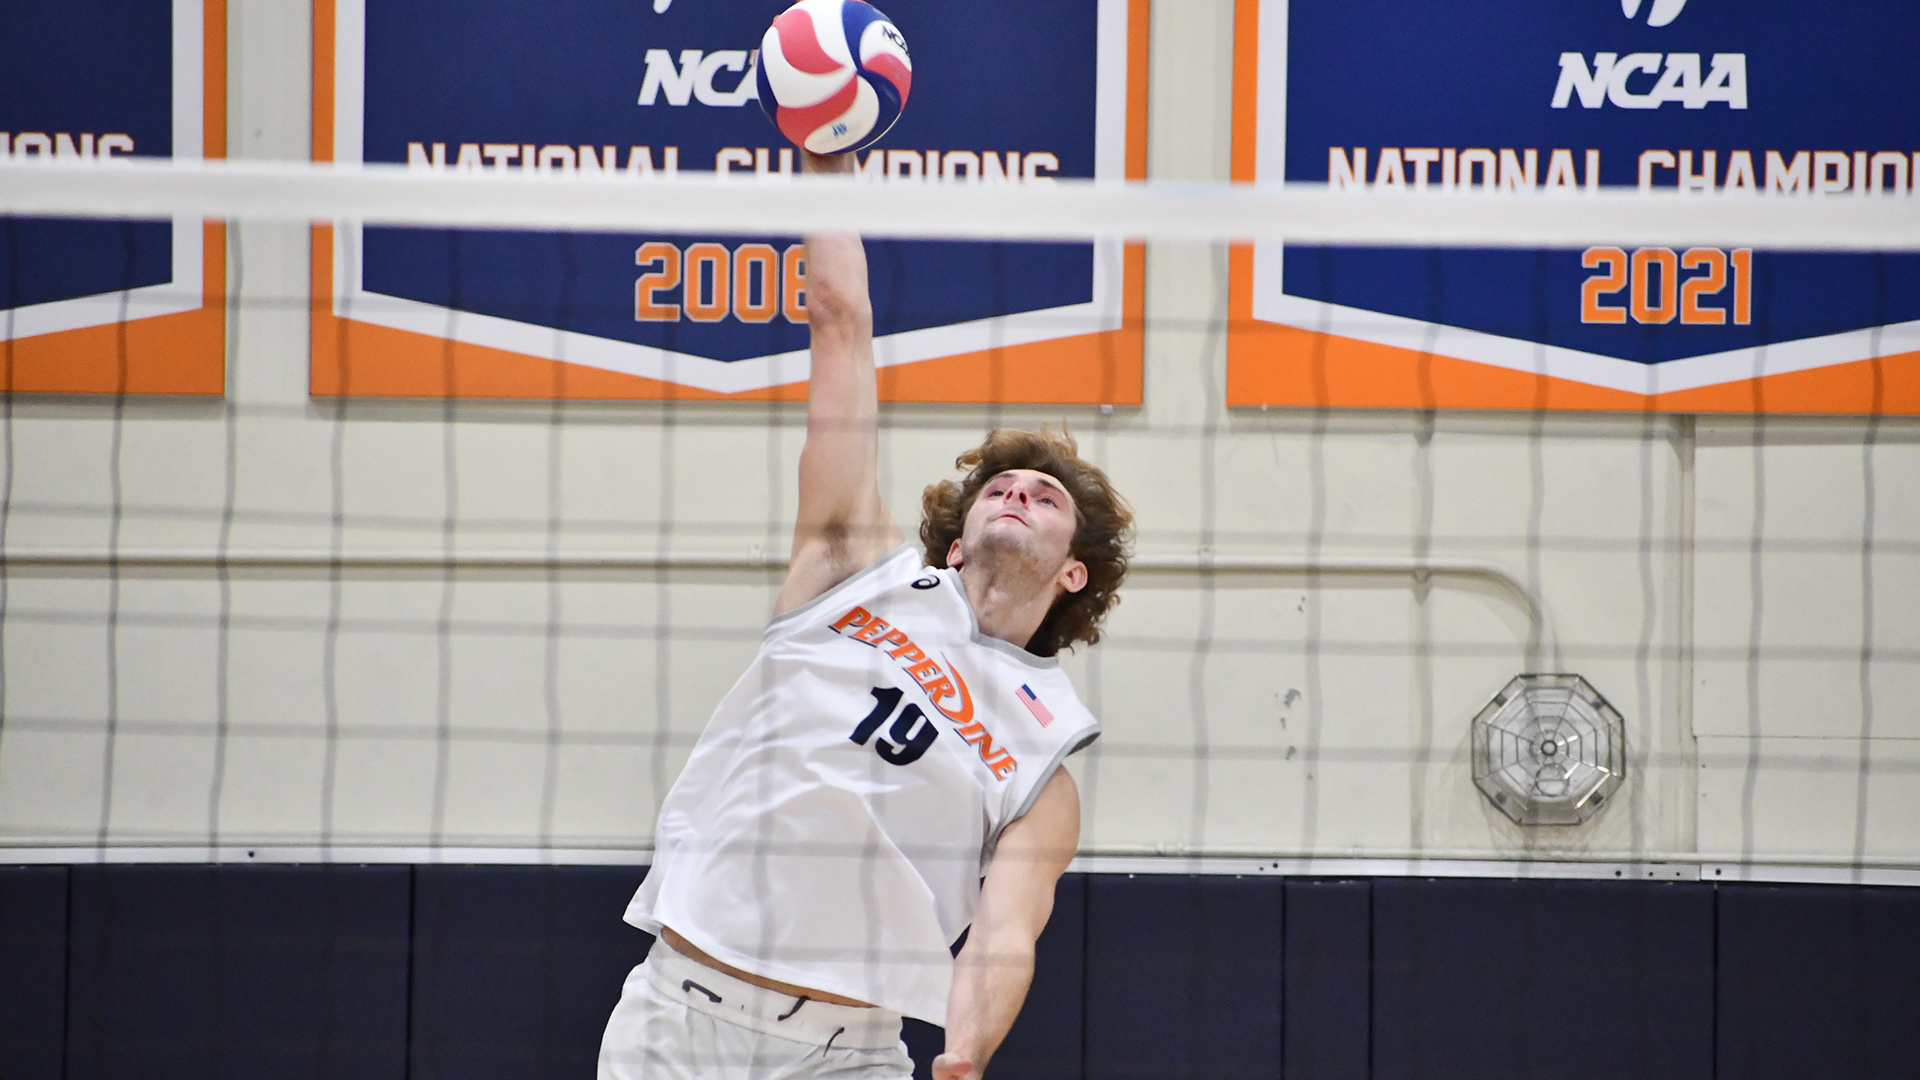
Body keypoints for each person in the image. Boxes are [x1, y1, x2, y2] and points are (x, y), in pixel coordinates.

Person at [598, 150, 1133, 1080]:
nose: (1014, 495)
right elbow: (840, 325)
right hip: (678, 1018)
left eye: (1044, 499)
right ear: (956, 541)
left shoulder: (1048, 765)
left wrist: (965, 1050)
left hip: (845, 1057)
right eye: (997, 487)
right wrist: (826, 160)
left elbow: (1006, 932)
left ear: (1076, 575)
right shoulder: (853, 567)